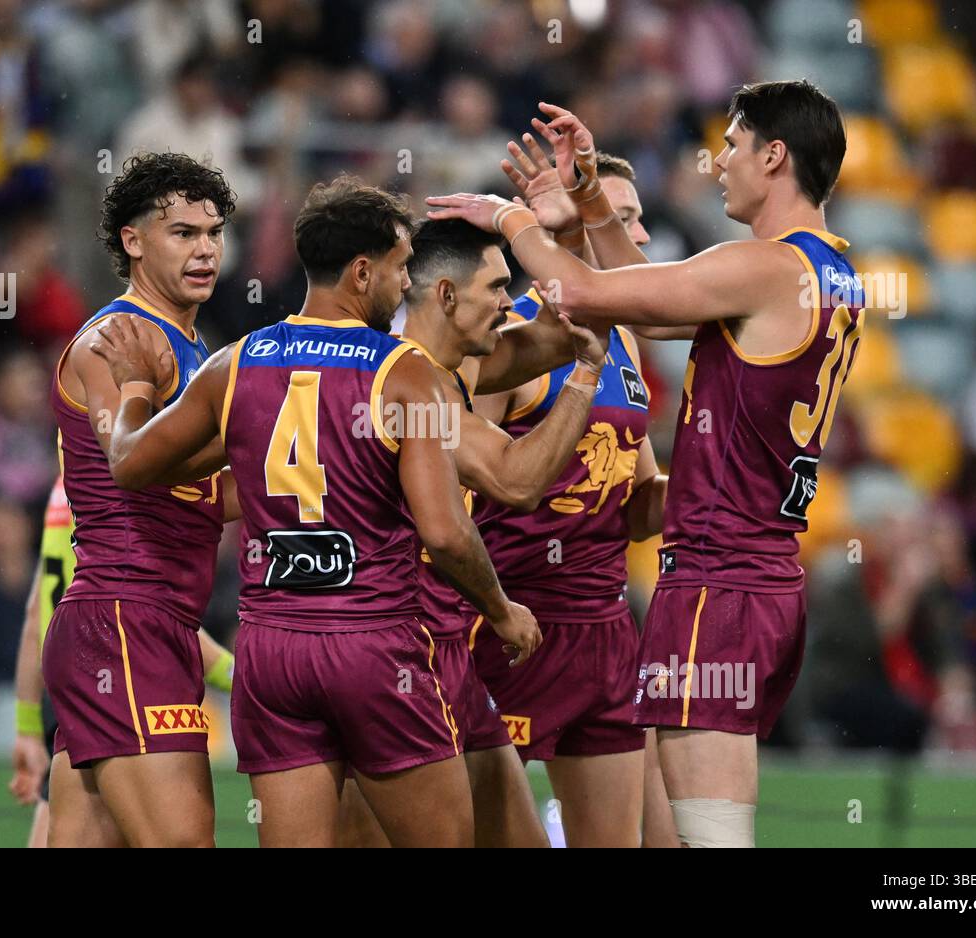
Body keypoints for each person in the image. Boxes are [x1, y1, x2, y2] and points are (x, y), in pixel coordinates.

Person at [428, 81, 864, 847]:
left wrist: (510, 219)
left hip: (717, 580)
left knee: (708, 838)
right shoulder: (832, 273)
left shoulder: (762, 266)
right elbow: (642, 308)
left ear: (774, 155)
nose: (718, 161)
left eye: (731, 144)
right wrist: (593, 197)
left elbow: (585, 292)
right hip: (760, 576)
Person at [91, 176, 541, 847]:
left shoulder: (235, 363)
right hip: (374, 646)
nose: (404, 283)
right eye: (398, 267)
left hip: (271, 654)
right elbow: (445, 534)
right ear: (362, 272)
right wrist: (502, 611)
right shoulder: (404, 372)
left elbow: (129, 462)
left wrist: (132, 387)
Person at [339, 217, 613, 848]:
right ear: (445, 296)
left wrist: (567, 224)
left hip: (447, 655)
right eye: (496, 288)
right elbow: (513, 479)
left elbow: (565, 326)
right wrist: (586, 379)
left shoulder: (463, 367)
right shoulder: (411, 383)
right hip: (389, 654)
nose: (508, 302)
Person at [469, 142, 677, 847]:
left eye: (638, 220)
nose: (639, 236)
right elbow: (459, 484)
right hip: (512, 628)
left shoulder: (621, 343)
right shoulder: (512, 336)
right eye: (621, 217)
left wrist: (724, 481)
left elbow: (640, 499)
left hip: (605, 626)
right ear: (564, 225)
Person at [40, 152, 236, 847]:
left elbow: (206, 490)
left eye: (214, 233)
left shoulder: (186, 343)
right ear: (133, 240)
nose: (206, 249)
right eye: (183, 233)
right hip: (124, 620)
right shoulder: (113, 341)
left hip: (149, 625)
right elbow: (136, 465)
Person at [10, 473, 236, 847]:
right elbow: (141, 602)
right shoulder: (126, 482)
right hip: (121, 663)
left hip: (68, 680)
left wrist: (28, 727)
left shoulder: (68, 485)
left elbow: (37, 610)